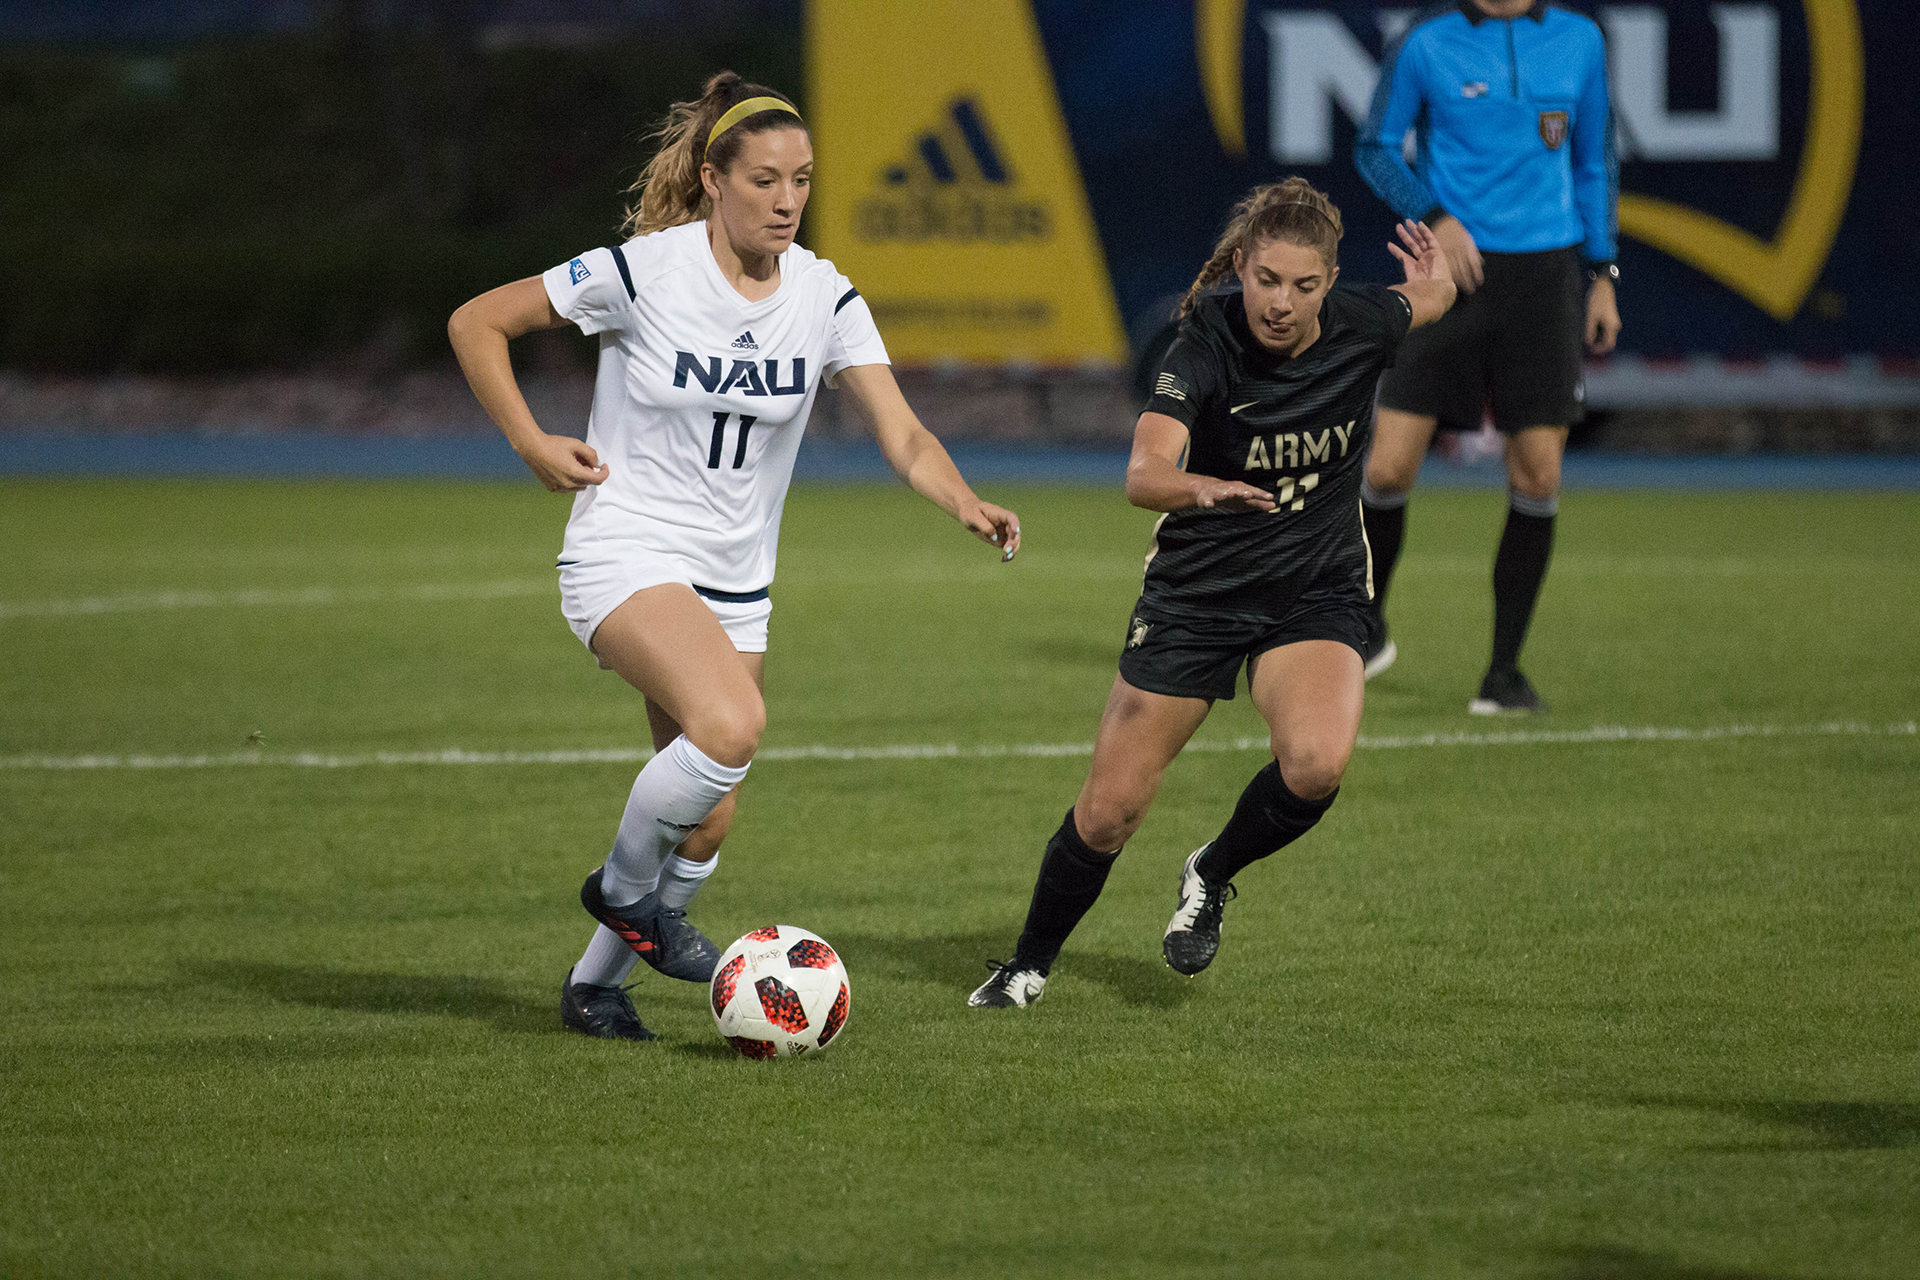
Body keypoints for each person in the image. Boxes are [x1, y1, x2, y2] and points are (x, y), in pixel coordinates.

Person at [449, 72, 1022, 1041]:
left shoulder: (825, 295)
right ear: (713, 180)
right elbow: (477, 322)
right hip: (623, 550)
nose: (788, 198)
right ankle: (626, 895)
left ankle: (595, 986)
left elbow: (905, 433)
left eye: (802, 177)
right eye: (764, 179)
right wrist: (532, 441)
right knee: (733, 721)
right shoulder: (645, 272)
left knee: (708, 817)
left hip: (735, 584)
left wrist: (961, 496)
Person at [969, 179, 1455, 1008]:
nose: (1281, 303)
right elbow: (1142, 472)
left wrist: (1438, 273)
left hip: (1315, 590)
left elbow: (1429, 299)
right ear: (1241, 267)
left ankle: (1212, 872)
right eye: (1267, 280)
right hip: (1199, 595)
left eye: (1304, 286)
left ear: (1331, 284)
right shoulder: (1203, 342)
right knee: (1110, 812)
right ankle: (1028, 962)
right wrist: (1201, 490)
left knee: (1316, 764)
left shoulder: (1365, 324)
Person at [1354, 0, 1621, 713]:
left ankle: (1503, 674)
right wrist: (1436, 217)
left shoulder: (1580, 41)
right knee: (1386, 465)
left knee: (1538, 473)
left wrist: (1602, 275)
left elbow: (1595, 160)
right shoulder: (1426, 43)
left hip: (1545, 281)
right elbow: (1373, 147)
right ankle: (1366, 626)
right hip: (1448, 278)